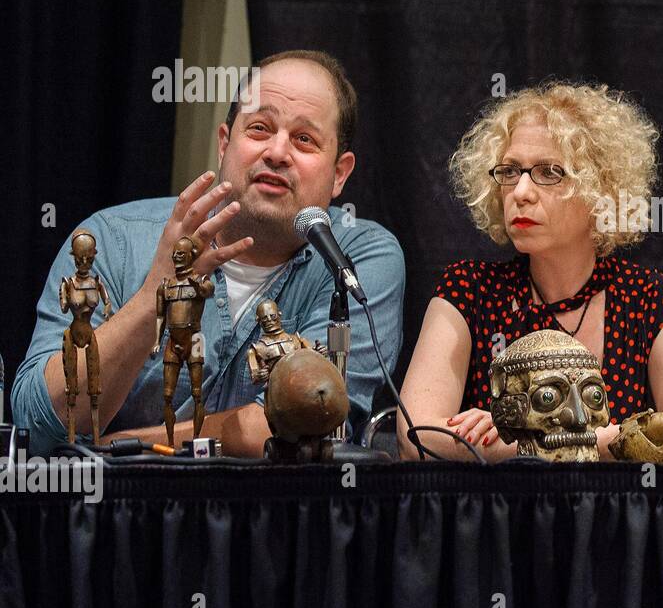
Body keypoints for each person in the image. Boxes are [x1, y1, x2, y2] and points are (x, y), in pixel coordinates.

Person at [12, 50, 406, 457]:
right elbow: (39, 426)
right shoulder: (110, 240)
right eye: (259, 128)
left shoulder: (355, 260)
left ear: (339, 173)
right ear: (224, 144)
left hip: (275, 515)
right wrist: (154, 296)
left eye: (304, 140)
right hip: (110, 513)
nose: (277, 152)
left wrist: (123, 448)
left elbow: (296, 425)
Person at [398, 81, 663, 461]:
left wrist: (515, 438)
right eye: (510, 171)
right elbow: (415, 435)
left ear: (600, 188)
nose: (520, 191)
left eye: (549, 172)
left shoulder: (645, 296)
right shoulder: (469, 289)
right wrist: (610, 442)